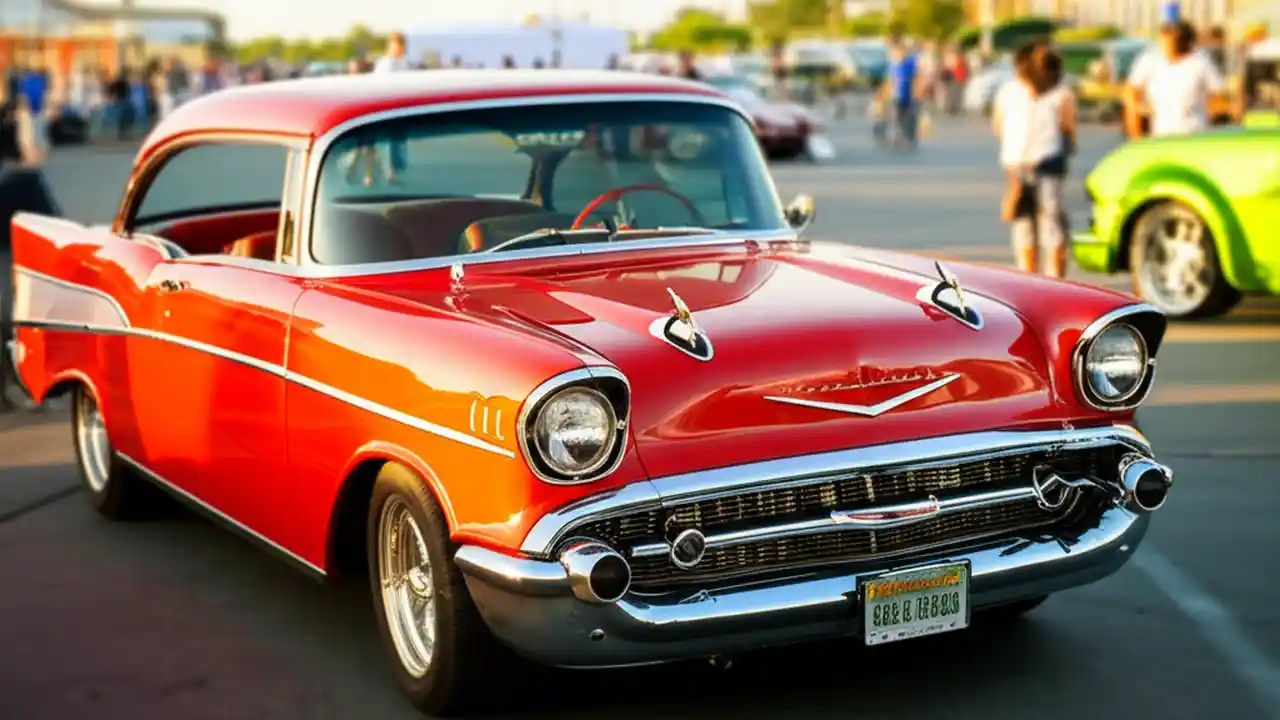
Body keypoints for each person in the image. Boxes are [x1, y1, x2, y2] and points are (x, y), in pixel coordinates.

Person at [994, 41, 1076, 279]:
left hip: (1047, 164)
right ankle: (1029, 277)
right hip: (1018, 166)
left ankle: (1054, 279)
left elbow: (1067, 126)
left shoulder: (1060, 93)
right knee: (1024, 225)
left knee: (1050, 222)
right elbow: (1000, 125)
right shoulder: (1010, 91)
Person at [1125, 19, 1225, 137]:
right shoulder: (1149, 60)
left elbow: (1219, 94)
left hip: (1194, 133)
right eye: (1164, 41)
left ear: (1186, 43)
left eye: (1173, 42)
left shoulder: (1200, 62)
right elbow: (1131, 94)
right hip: (1161, 134)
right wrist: (1135, 133)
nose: (1167, 46)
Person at [374, 32, 410, 184]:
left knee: (397, 140)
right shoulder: (385, 64)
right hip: (386, 106)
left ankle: (393, 169)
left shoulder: (402, 63)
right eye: (398, 45)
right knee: (388, 142)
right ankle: (389, 172)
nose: (401, 48)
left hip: (400, 105)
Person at [880, 38, 922, 150]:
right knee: (895, 118)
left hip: (908, 96)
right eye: (896, 52)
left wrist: (917, 93)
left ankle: (910, 138)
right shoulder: (892, 66)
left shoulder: (910, 64)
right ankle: (896, 138)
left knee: (909, 118)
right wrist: (883, 95)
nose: (898, 54)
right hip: (896, 97)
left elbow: (916, 79)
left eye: (901, 52)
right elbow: (888, 82)